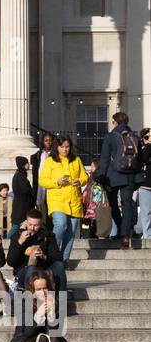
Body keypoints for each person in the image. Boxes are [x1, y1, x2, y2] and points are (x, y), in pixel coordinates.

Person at [38, 136, 88, 265]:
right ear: (57, 147)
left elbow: (85, 176)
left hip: (74, 200)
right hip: (57, 199)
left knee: (71, 232)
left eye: (67, 146)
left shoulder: (76, 160)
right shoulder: (50, 161)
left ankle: (64, 260)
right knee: (61, 224)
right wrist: (57, 182)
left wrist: (80, 181)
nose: (65, 149)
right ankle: (51, 252)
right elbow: (42, 180)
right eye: (62, 147)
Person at [98, 111, 143, 247]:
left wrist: (101, 175)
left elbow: (105, 159)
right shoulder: (134, 137)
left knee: (113, 204)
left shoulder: (110, 136)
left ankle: (120, 229)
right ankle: (124, 235)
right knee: (127, 205)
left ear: (115, 122)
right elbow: (139, 160)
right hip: (130, 176)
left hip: (113, 176)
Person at [6, 206, 67, 295]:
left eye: (36, 225)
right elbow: (11, 262)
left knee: (59, 266)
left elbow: (58, 257)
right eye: (30, 224)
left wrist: (44, 256)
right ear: (26, 222)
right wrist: (20, 242)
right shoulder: (18, 235)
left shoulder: (48, 236)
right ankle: (30, 304)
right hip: (24, 271)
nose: (32, 228)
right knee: (32, 269)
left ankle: (61, 303)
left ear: (41, 224)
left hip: (43, 269)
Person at [30, 131, 56, 212]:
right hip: (41, 185)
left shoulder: (57, 155)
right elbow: (35, 174)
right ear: (43, 142)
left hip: (53, 185)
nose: (48, 142)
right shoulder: (37, 156)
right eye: (46, 140)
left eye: (50, 140)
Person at [10, 156, 34, 238]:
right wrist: (32, 190)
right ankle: (7, 240)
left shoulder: (21, 175)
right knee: (16, 226)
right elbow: (25, 190)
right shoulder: (20, 176)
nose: (29, 165)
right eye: (27, 163)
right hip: (21, 206)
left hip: (22, 205)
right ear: (23, 165)